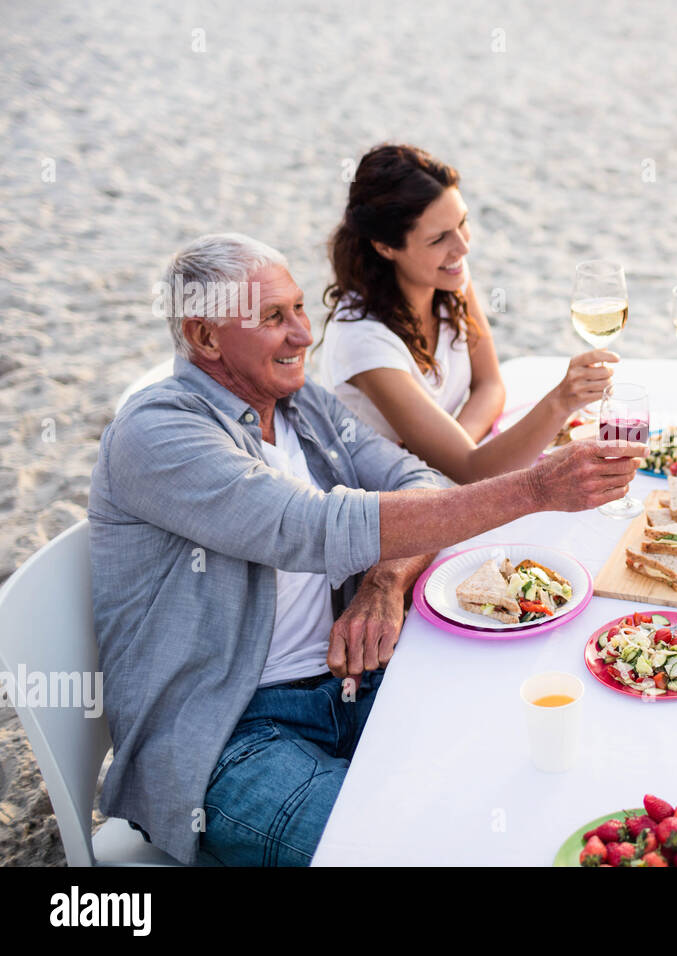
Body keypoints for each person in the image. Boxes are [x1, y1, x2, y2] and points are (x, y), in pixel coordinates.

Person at [89, 233, 642, 866]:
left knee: (539, 762)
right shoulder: (156, 432)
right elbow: (311, 529)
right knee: (404, 854)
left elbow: (420, 481)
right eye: (274, 318)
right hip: (225, 736)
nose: (304, 335)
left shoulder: (300, 403)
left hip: (354, 681)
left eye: (300, 308)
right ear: (206, 338)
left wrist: (384, 583)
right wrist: (537, 487)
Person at [317, 144, 614, 484]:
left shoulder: (447, 275)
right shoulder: (363, 340)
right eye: (438, 238)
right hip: (384, 505)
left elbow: (489, 385)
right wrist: (560, 401)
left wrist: (451, 445)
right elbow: (475, 471)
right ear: (385, 247)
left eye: (462, 223)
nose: (462, 247)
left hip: (440, 483)